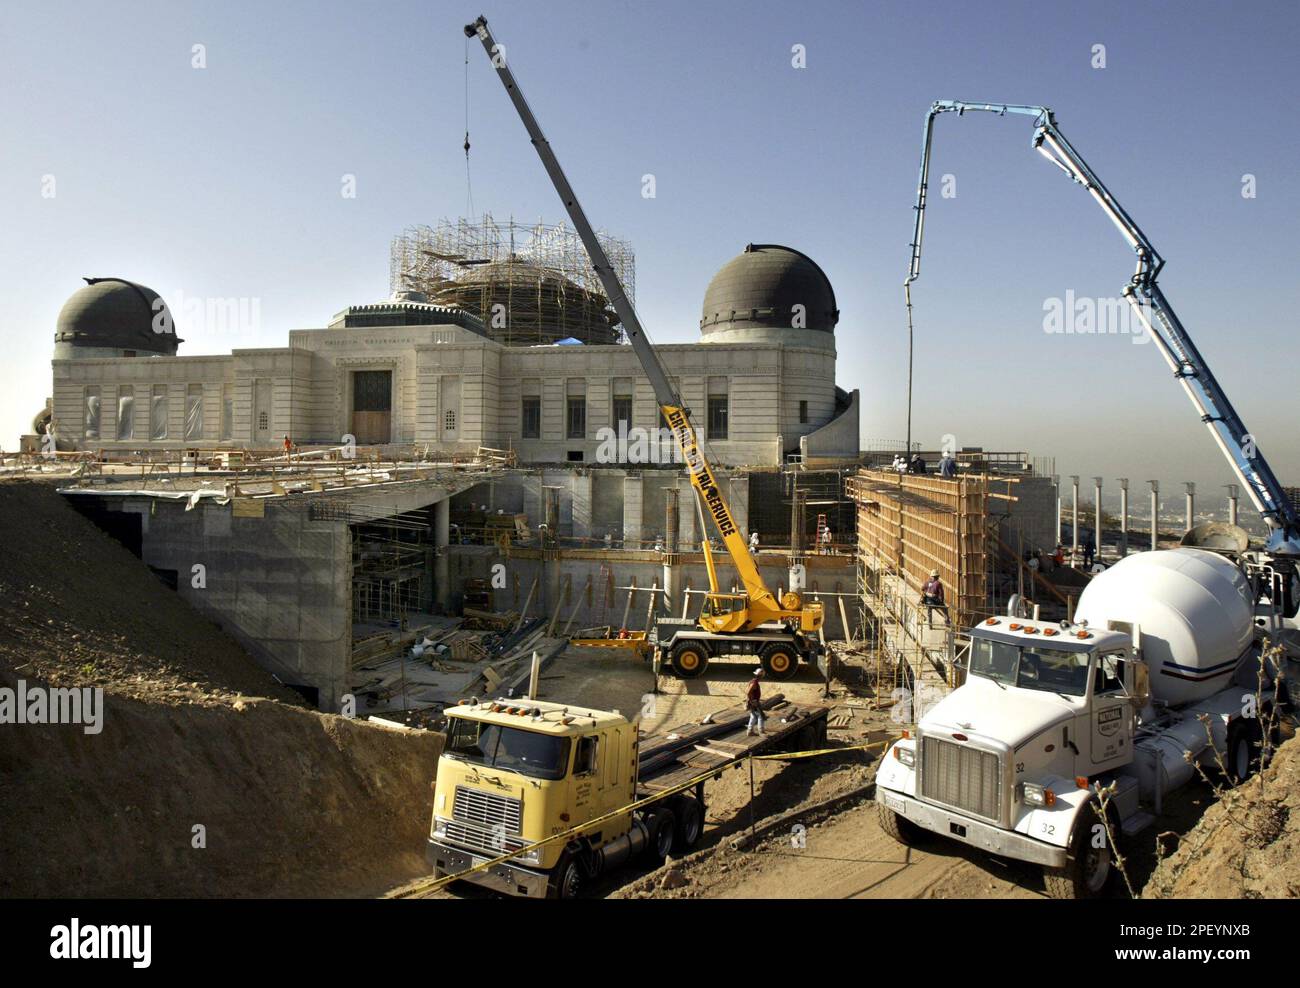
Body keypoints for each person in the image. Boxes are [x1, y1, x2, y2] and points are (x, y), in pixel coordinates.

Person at [746, 668, 766, 736]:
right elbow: (748, 692)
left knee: (753, 716)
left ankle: (750, 731)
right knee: (761, 716)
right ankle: (761, 732)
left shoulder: (752, 681)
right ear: (760, 676)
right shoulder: (754, 682)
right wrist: (752, 701)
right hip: (754, 702)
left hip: (752, 702)